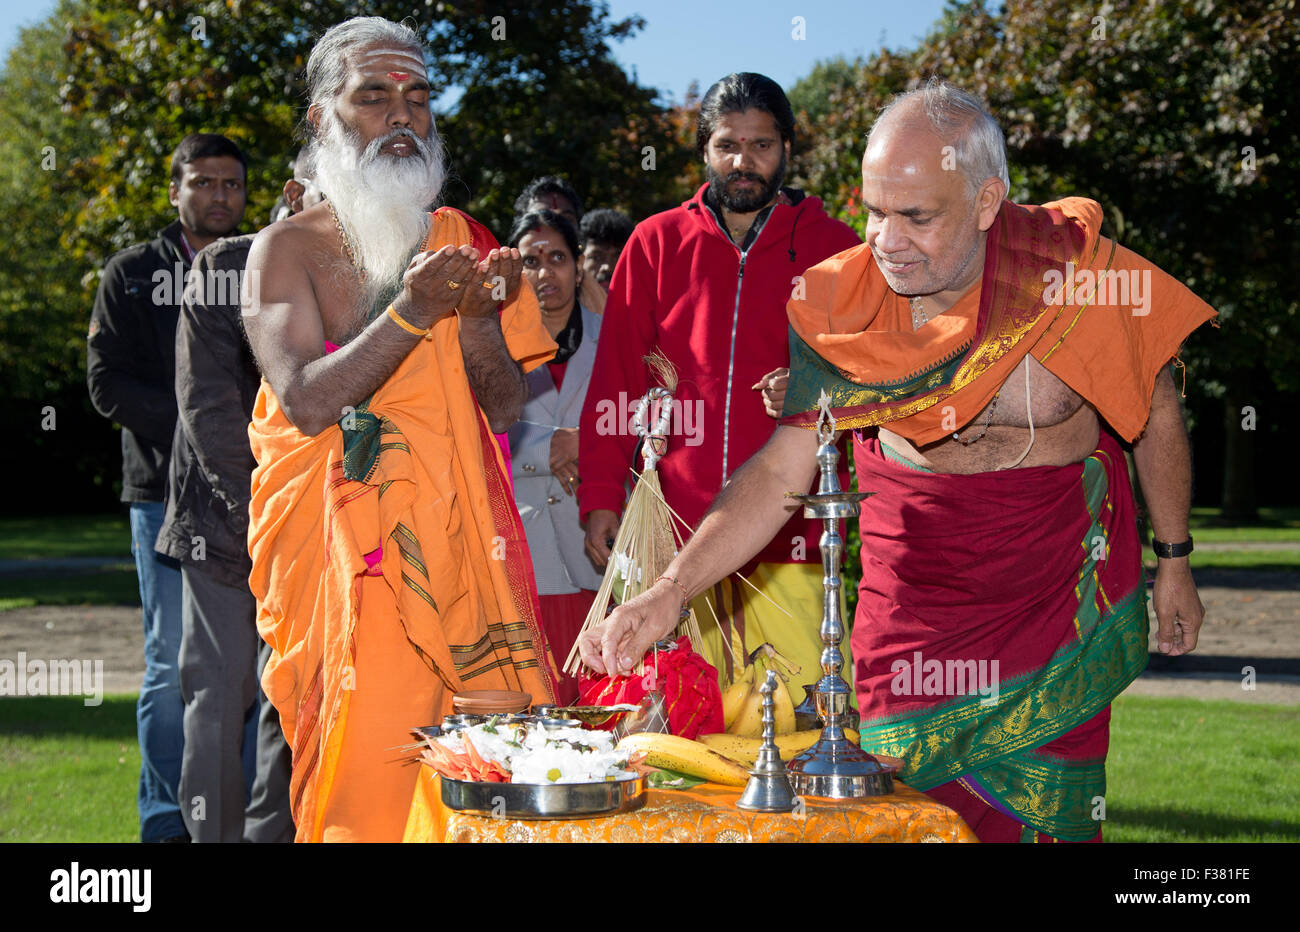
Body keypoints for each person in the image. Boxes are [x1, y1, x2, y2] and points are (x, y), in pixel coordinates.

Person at [580, 80, 1215, 843]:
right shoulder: (845, 303)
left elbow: (1156, 415)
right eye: (875, 211)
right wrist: (670, 590)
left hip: (1050, 616)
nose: (885, 240)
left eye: (915, 216)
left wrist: (1174, 558)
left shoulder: (1081, 282)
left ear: (986, 203)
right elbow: (784, 468)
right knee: (895, 825)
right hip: (906, 627)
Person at [241, 16, 556, 842]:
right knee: (367, 788)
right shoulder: (283, 252)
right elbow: (306, 399)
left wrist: (481, 319)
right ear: (323, 118)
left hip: (462, 552)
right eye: (374, 96)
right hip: (347, 566)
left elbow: (502, 407)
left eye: (417, 96)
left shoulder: (462, 242)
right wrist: (416, 313)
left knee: (486, 782)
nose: (402, 117)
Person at [576, 73, 861, 697]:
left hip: (789, 534)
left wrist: (816, 389)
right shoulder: (654, 243)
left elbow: (872, 383)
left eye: (761, 144)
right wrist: (599, 493)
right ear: (705, 150)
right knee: (660, 722)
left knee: (787, 724)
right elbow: (615, 381)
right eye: (728, 144)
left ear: (786, 147)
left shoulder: (837, 250)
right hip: (666, 531)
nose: (744, 161)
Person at [153, 152, 322, 844]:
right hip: (221, 526)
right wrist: (269, 513)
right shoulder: (224, 267)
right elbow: (209, 410)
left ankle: (268, 837)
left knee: (294, 699)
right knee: (219, 702)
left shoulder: (354, 273)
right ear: (294, 192)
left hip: (313, 525)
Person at [87, 132, 247, 843]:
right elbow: (104, 382)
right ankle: (165, 821)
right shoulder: (130, 273)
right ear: (175, 189)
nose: (219, 196)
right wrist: (192, 432)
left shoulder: (260, 266)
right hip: (161, 494)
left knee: (242, 665)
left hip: (250, 494)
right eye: (203, 183)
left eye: (232, 184)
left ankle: (234, 811)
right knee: (168, 661)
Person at [505, 210, 604, 704]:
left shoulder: (614, 336)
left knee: (602, 702)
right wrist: (551, 449)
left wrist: (592, 441)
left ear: (579, 265)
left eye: (558, 258)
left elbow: (645, 419)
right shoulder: (491, 342)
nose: (545, 273)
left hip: (598, 542)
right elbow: (473, 440)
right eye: (530, 261)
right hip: (526, 550)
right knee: (538, 703)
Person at [514, 175, 609, 314]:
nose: (555, 228)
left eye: (566, 220)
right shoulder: (502, 300)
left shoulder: (600, 298)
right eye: (543, 217)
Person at [578, 208, 634, 295]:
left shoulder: (646, 306)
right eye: (596, 257)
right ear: (579, 262)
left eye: (618, 258)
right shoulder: (559, 306)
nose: (608, 268)